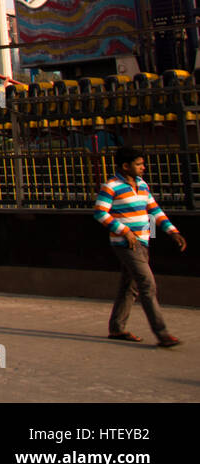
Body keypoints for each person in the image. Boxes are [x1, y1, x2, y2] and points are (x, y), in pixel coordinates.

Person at [94, 145, 187, 347]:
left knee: (130, 286)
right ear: (125, 166)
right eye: (139, 164)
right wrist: (124, 231)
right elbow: (100, 212)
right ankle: (162, 333)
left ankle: (117, 328)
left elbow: (154, 210)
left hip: (143, 242)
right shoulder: (111, 186)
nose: (143, 167)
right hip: (125, 243)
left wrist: (172, 231)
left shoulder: (142, 185)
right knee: (147, 284)